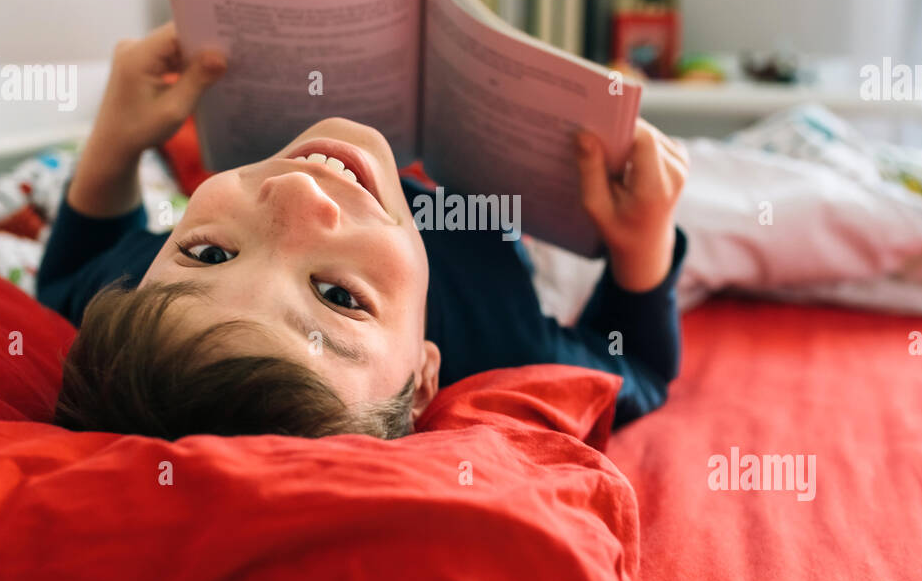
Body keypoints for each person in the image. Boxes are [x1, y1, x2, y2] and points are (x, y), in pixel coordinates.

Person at [38, 22, 690, 440]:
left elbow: (70, 276)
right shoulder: (502, 337)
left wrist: (113, 145)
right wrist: (643, 249)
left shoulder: (146, 311)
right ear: (424, 377)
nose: (295, 193)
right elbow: (639, 369)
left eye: (210, 252)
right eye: (339, 297)